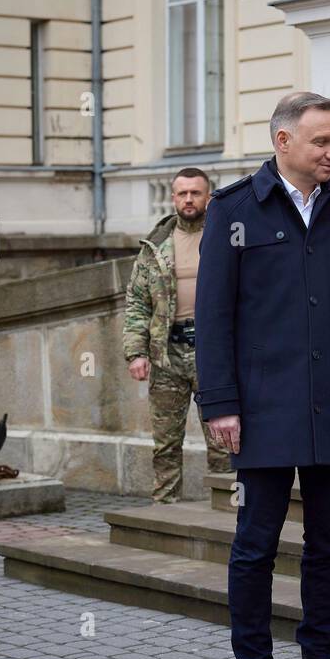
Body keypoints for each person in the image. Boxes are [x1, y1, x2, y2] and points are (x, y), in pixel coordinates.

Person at [195, 92, 330, 659]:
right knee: (256, 545)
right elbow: (212, 317)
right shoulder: (233, 211)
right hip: (262, 411)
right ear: (284, 141)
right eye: (322, 142)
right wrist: (221, 404)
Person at [123, 167, 233, 502]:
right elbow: (137, 302)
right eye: (182, 193)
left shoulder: (226, 238)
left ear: (208, 197)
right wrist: (136, 352)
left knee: (223, 440)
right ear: (173, 198)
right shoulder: (155, 246)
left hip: (214, 355)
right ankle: (165, 512)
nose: (188, 199)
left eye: (195, 193)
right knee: (166, 444)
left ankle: (228, 513)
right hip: (166, 354)